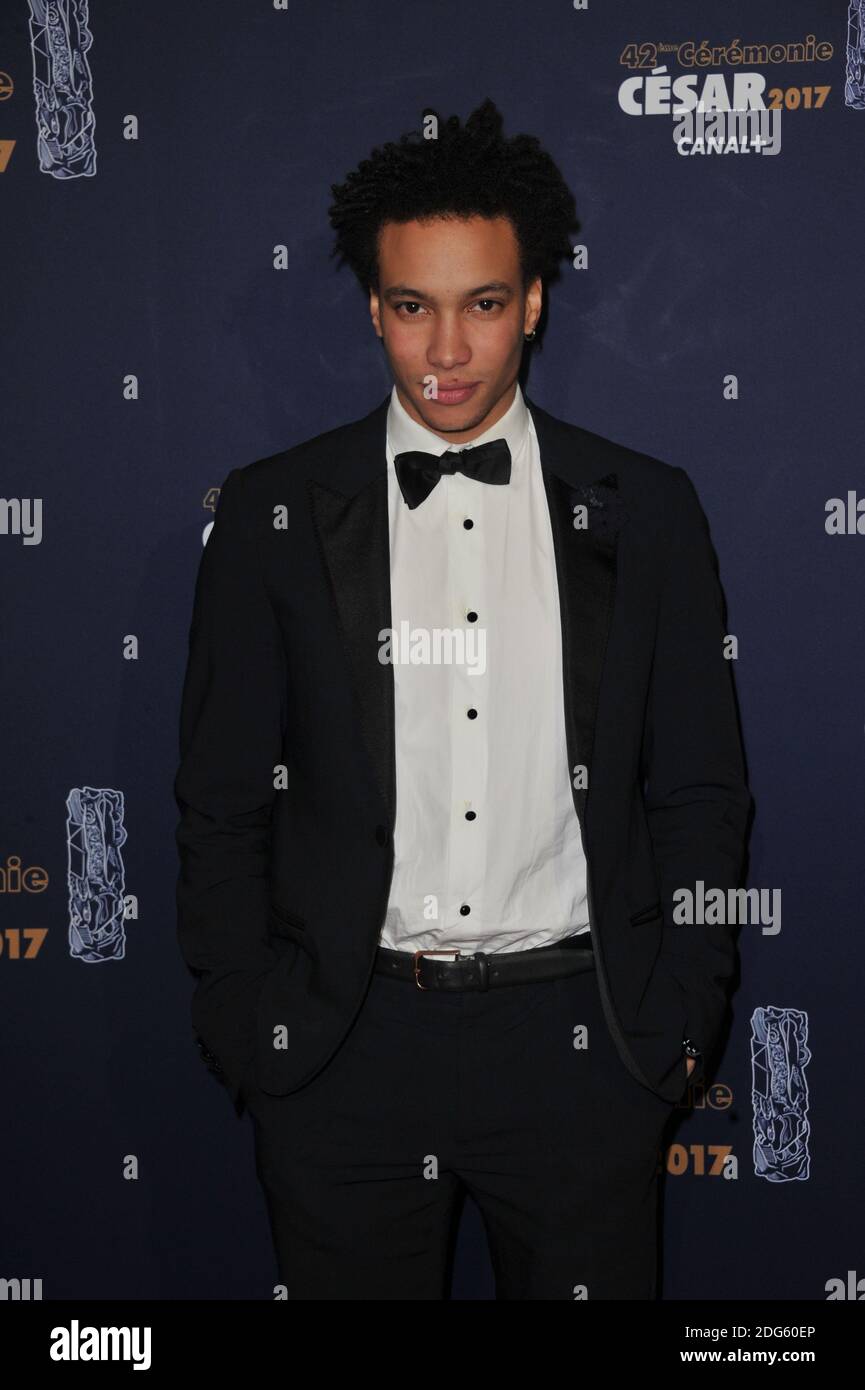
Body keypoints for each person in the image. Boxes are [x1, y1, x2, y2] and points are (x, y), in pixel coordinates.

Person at [173, 98, 751, 1300]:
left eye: (482, 304)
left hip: (582, 1044)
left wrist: (680, 1016)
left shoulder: (645, 509)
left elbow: (700, 788)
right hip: (343, 1048)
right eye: (411, 307)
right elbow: (221, 799)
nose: (445, 350)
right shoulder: (273, 515)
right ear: (371, 308)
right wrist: (248, 1022)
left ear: (532, 301)